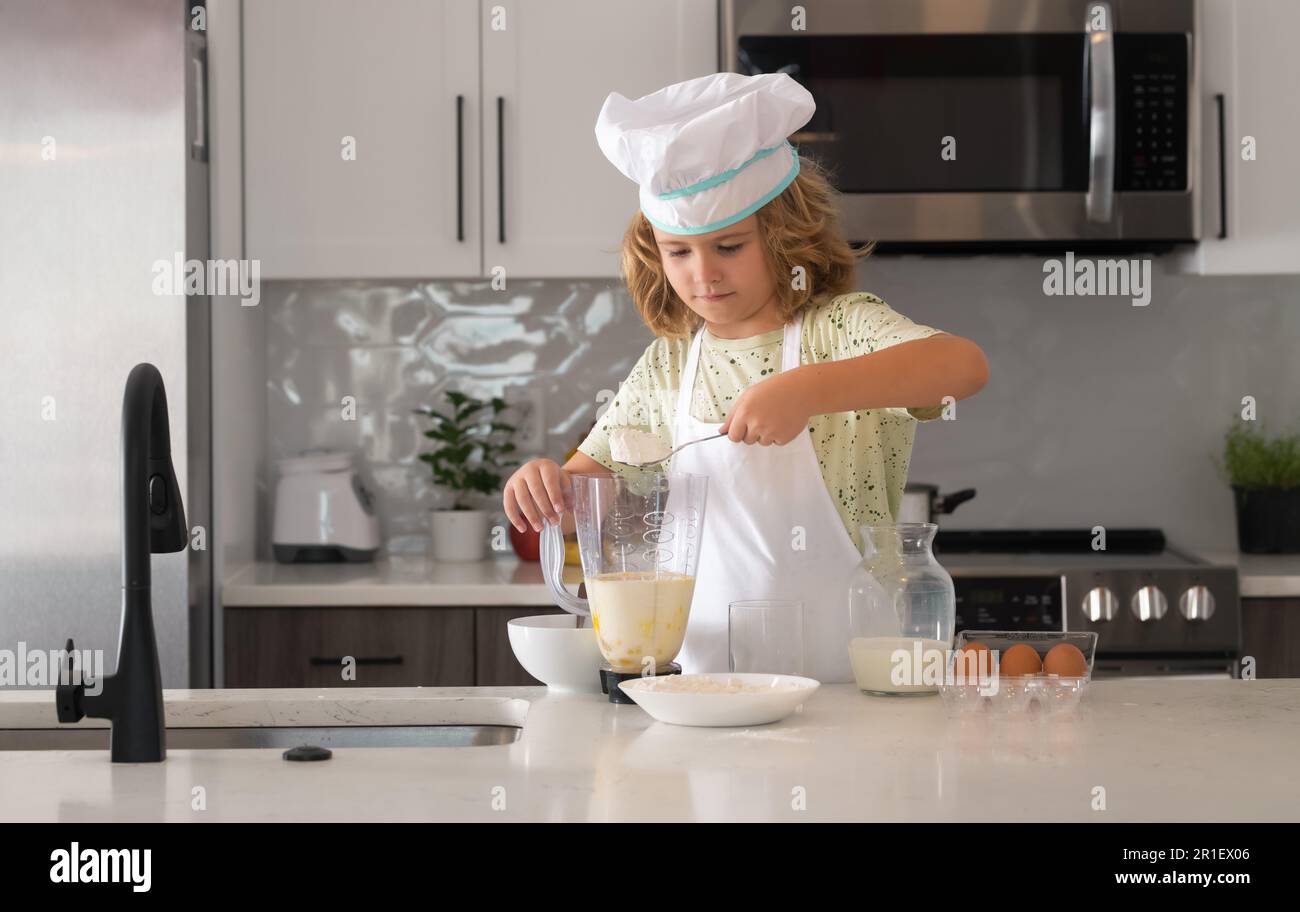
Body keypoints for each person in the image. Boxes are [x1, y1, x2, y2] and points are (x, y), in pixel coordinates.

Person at [503, 72, 988, 681]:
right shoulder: (672, 363)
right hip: (706, 687)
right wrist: (546, 485)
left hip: (853, 689)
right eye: (679, 252)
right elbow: (585, 499)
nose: (703, 274)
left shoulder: (835, 331)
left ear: (785, 238)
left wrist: (806, 389)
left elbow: (962, 367)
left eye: (729, 247)